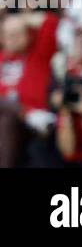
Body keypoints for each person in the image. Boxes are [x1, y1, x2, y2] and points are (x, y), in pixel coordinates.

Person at [0, 10, 60, 167]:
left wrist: (22, 18)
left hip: (34, 125)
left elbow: (50, 21)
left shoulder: (39, 54)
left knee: (7, 121)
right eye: (9, 35)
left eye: (18, 33)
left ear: (28, 33)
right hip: (17, 115)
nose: (13, 39)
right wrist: (24, 112)